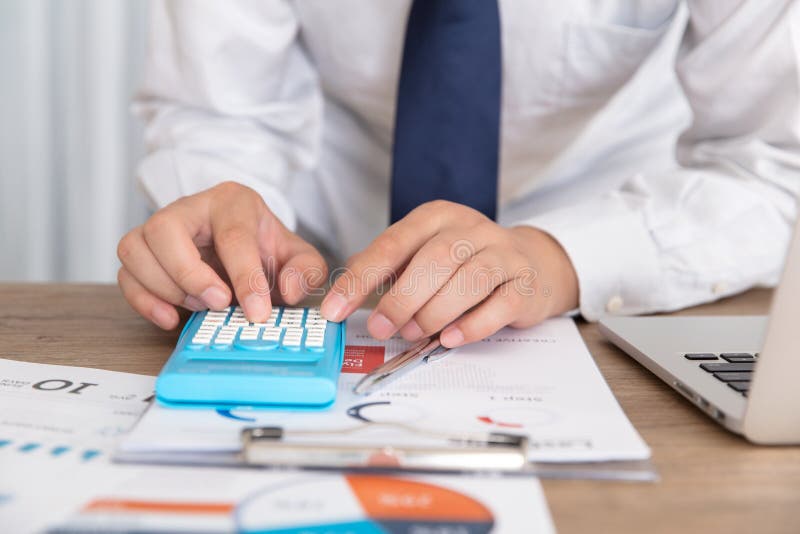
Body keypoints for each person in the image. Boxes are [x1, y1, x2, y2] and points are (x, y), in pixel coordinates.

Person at [117, 0, 800, 348]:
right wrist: (223, 203)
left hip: (618, 269)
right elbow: (218, 110)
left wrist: (562, 259)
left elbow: (776, 162)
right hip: (327, 270)